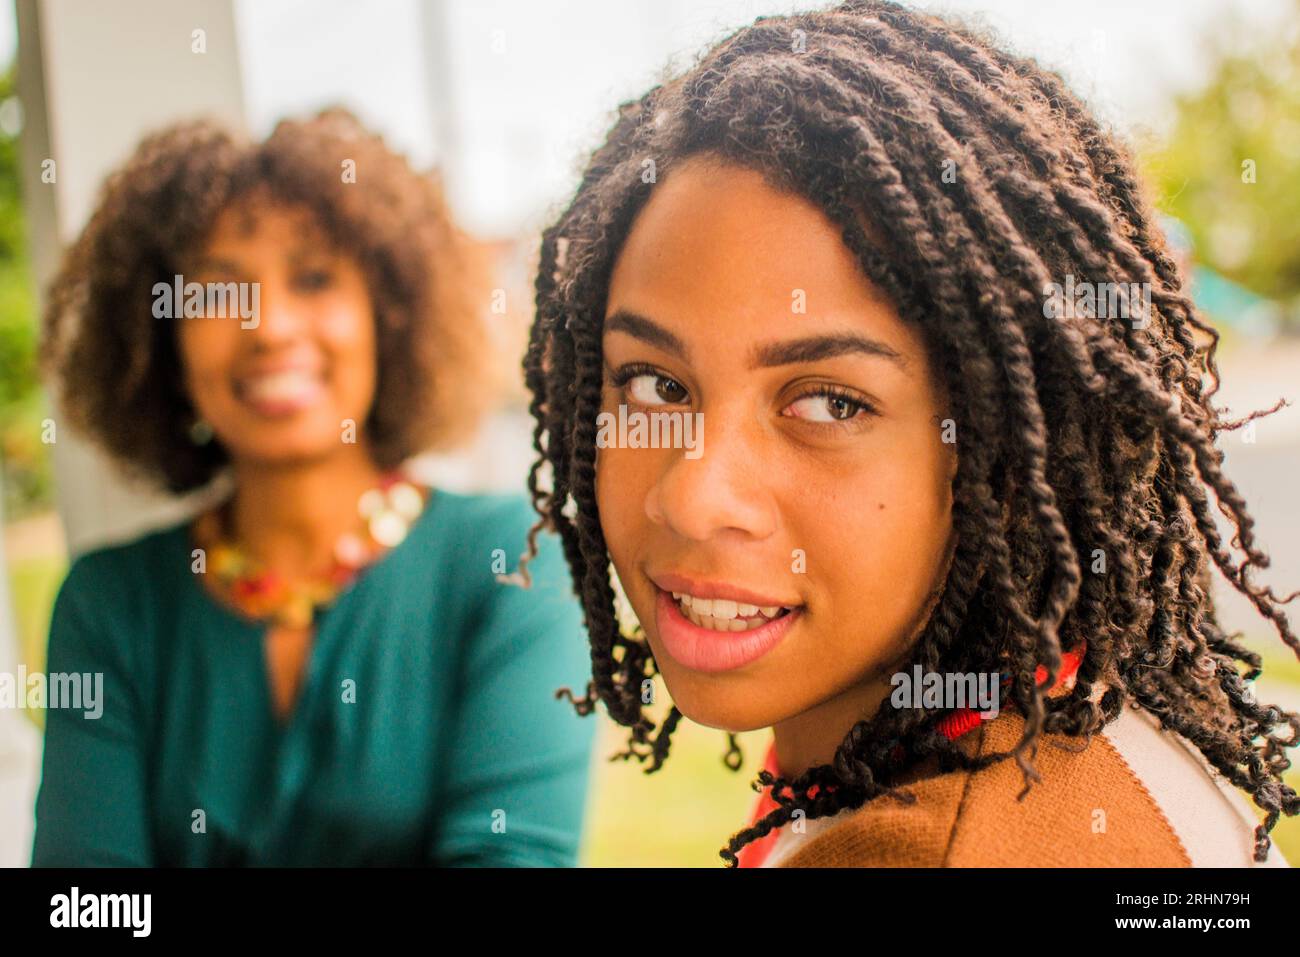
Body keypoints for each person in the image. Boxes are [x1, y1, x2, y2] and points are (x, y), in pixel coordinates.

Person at [518, 0, 1300, 867]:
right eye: (655, 384)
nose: (693, 496)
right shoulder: (1067, 729)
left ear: (1008, 451)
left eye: (830, 402)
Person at [33, 108, 596, 866]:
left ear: (388, 315)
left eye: (314, 277)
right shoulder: (110, 604)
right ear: (158, 336)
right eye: (219, 293)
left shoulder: (514, 562)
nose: (266, 326)